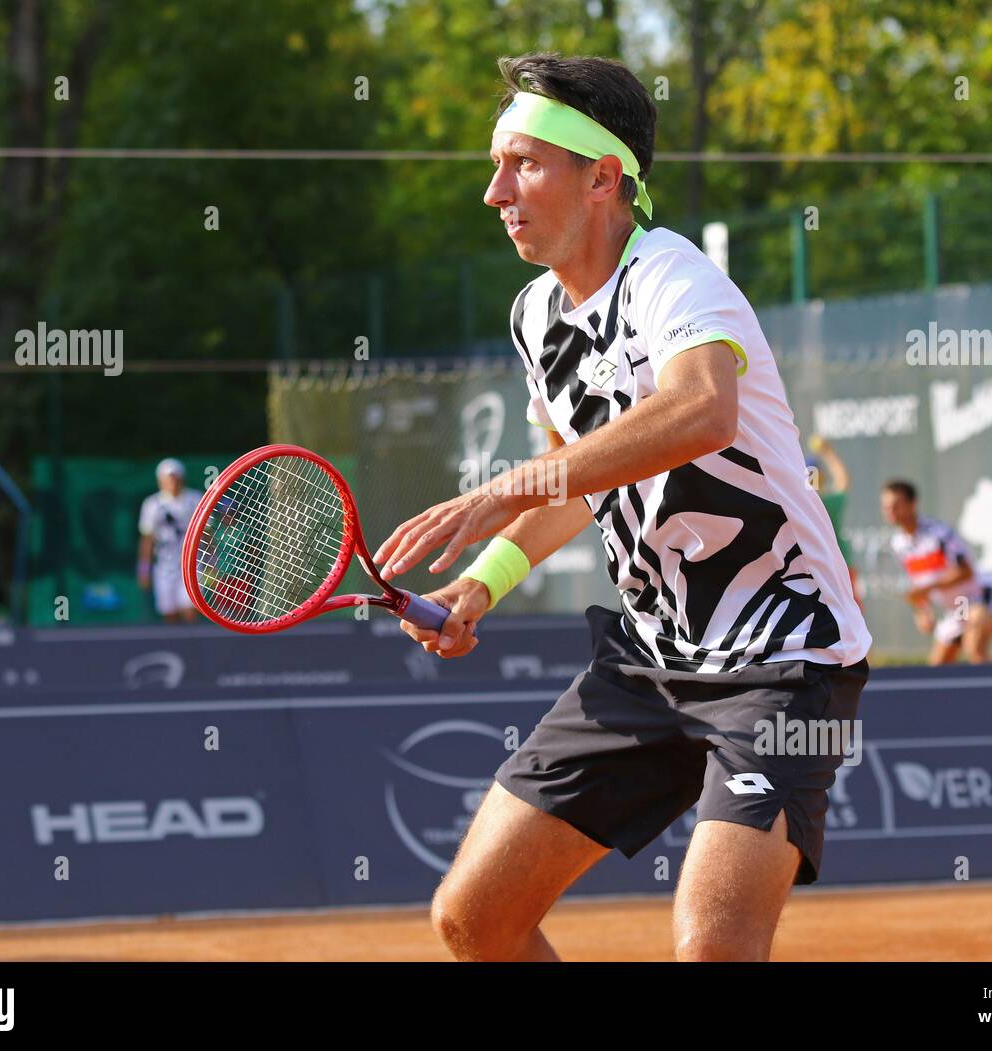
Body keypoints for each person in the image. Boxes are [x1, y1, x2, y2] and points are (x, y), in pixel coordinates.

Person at [372, 53, 871, 962]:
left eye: (522, 163)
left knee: (712, 947)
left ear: (603, 177)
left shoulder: (672, 274)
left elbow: (700, 409)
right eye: (497, 165)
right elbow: (578, 474)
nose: (495, 191)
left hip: (784, 657)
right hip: (649, 660)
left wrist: (500, 487)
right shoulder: (533, 317)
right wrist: (485, 581)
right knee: (474, 917)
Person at [880, 479, 992, 664]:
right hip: (956, 609)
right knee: (938, 668)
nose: (890, 511)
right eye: (886, 507)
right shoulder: (899, 544)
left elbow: (965, 572)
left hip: (978, 597)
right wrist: (923, 612)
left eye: (896, 505)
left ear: (912, 504)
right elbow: (917, 586)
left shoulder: (939, 533)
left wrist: (928, 588)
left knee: (975, 650)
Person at [137, 458, 202, 623]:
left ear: (182, 478)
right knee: (169, 614)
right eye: (168, 477)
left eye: (175, 477)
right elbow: (147, 539)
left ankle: (194, 646)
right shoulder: (152, 504)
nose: (172, 481)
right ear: (161, 480)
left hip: (192, 566)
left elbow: (207, 535)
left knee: (190, 611)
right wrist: (144, 569)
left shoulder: (195, 499)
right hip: (164, 568)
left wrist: (212, 565)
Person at [806, 434, 863, 613]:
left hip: (818, 567)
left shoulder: (803, 505)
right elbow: (842, 480)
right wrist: (828, 452)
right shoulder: (827, 503)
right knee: (850, 612)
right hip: (833, 566)